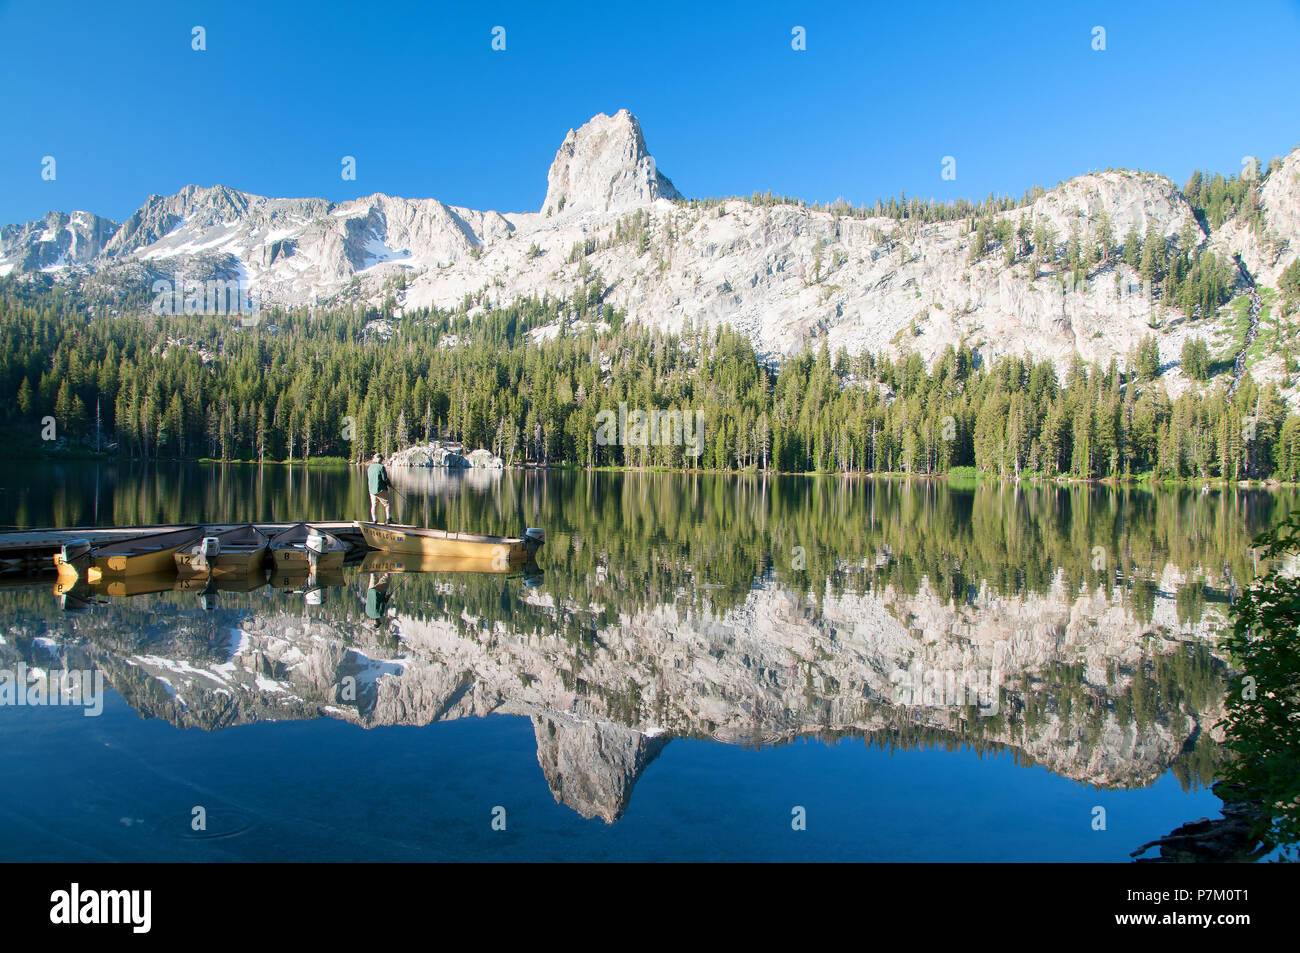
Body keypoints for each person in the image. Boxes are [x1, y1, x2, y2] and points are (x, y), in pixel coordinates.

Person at [367, 453, 393, 523]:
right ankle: (388, 519)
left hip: (372, 490)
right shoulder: (381, 467)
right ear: (380, 459)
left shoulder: (370, 467)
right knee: (387, 504)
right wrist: (389, 484)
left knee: (374, 505)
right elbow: (384, 479)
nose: (382, 460)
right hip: (380, 489)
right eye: (382, 459)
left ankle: (374, 520)